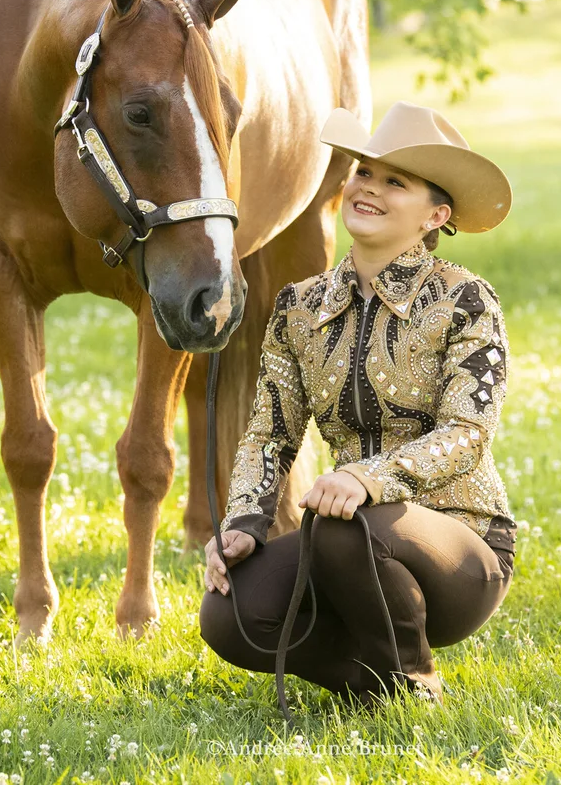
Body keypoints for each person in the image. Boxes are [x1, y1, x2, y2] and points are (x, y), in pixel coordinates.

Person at [199, 100, 517, 705]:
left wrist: (367, 479)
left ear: (435, 216)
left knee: (342, 527)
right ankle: (373, 685)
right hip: (341, 538)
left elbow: (467, 433)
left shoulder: (466, 300)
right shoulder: (298, 308)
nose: (368, 187)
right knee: (229, 611)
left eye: (395, 182)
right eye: (364, 173)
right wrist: (244, 523)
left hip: (460, 546)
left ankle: (414, 683)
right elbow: (269, 435)